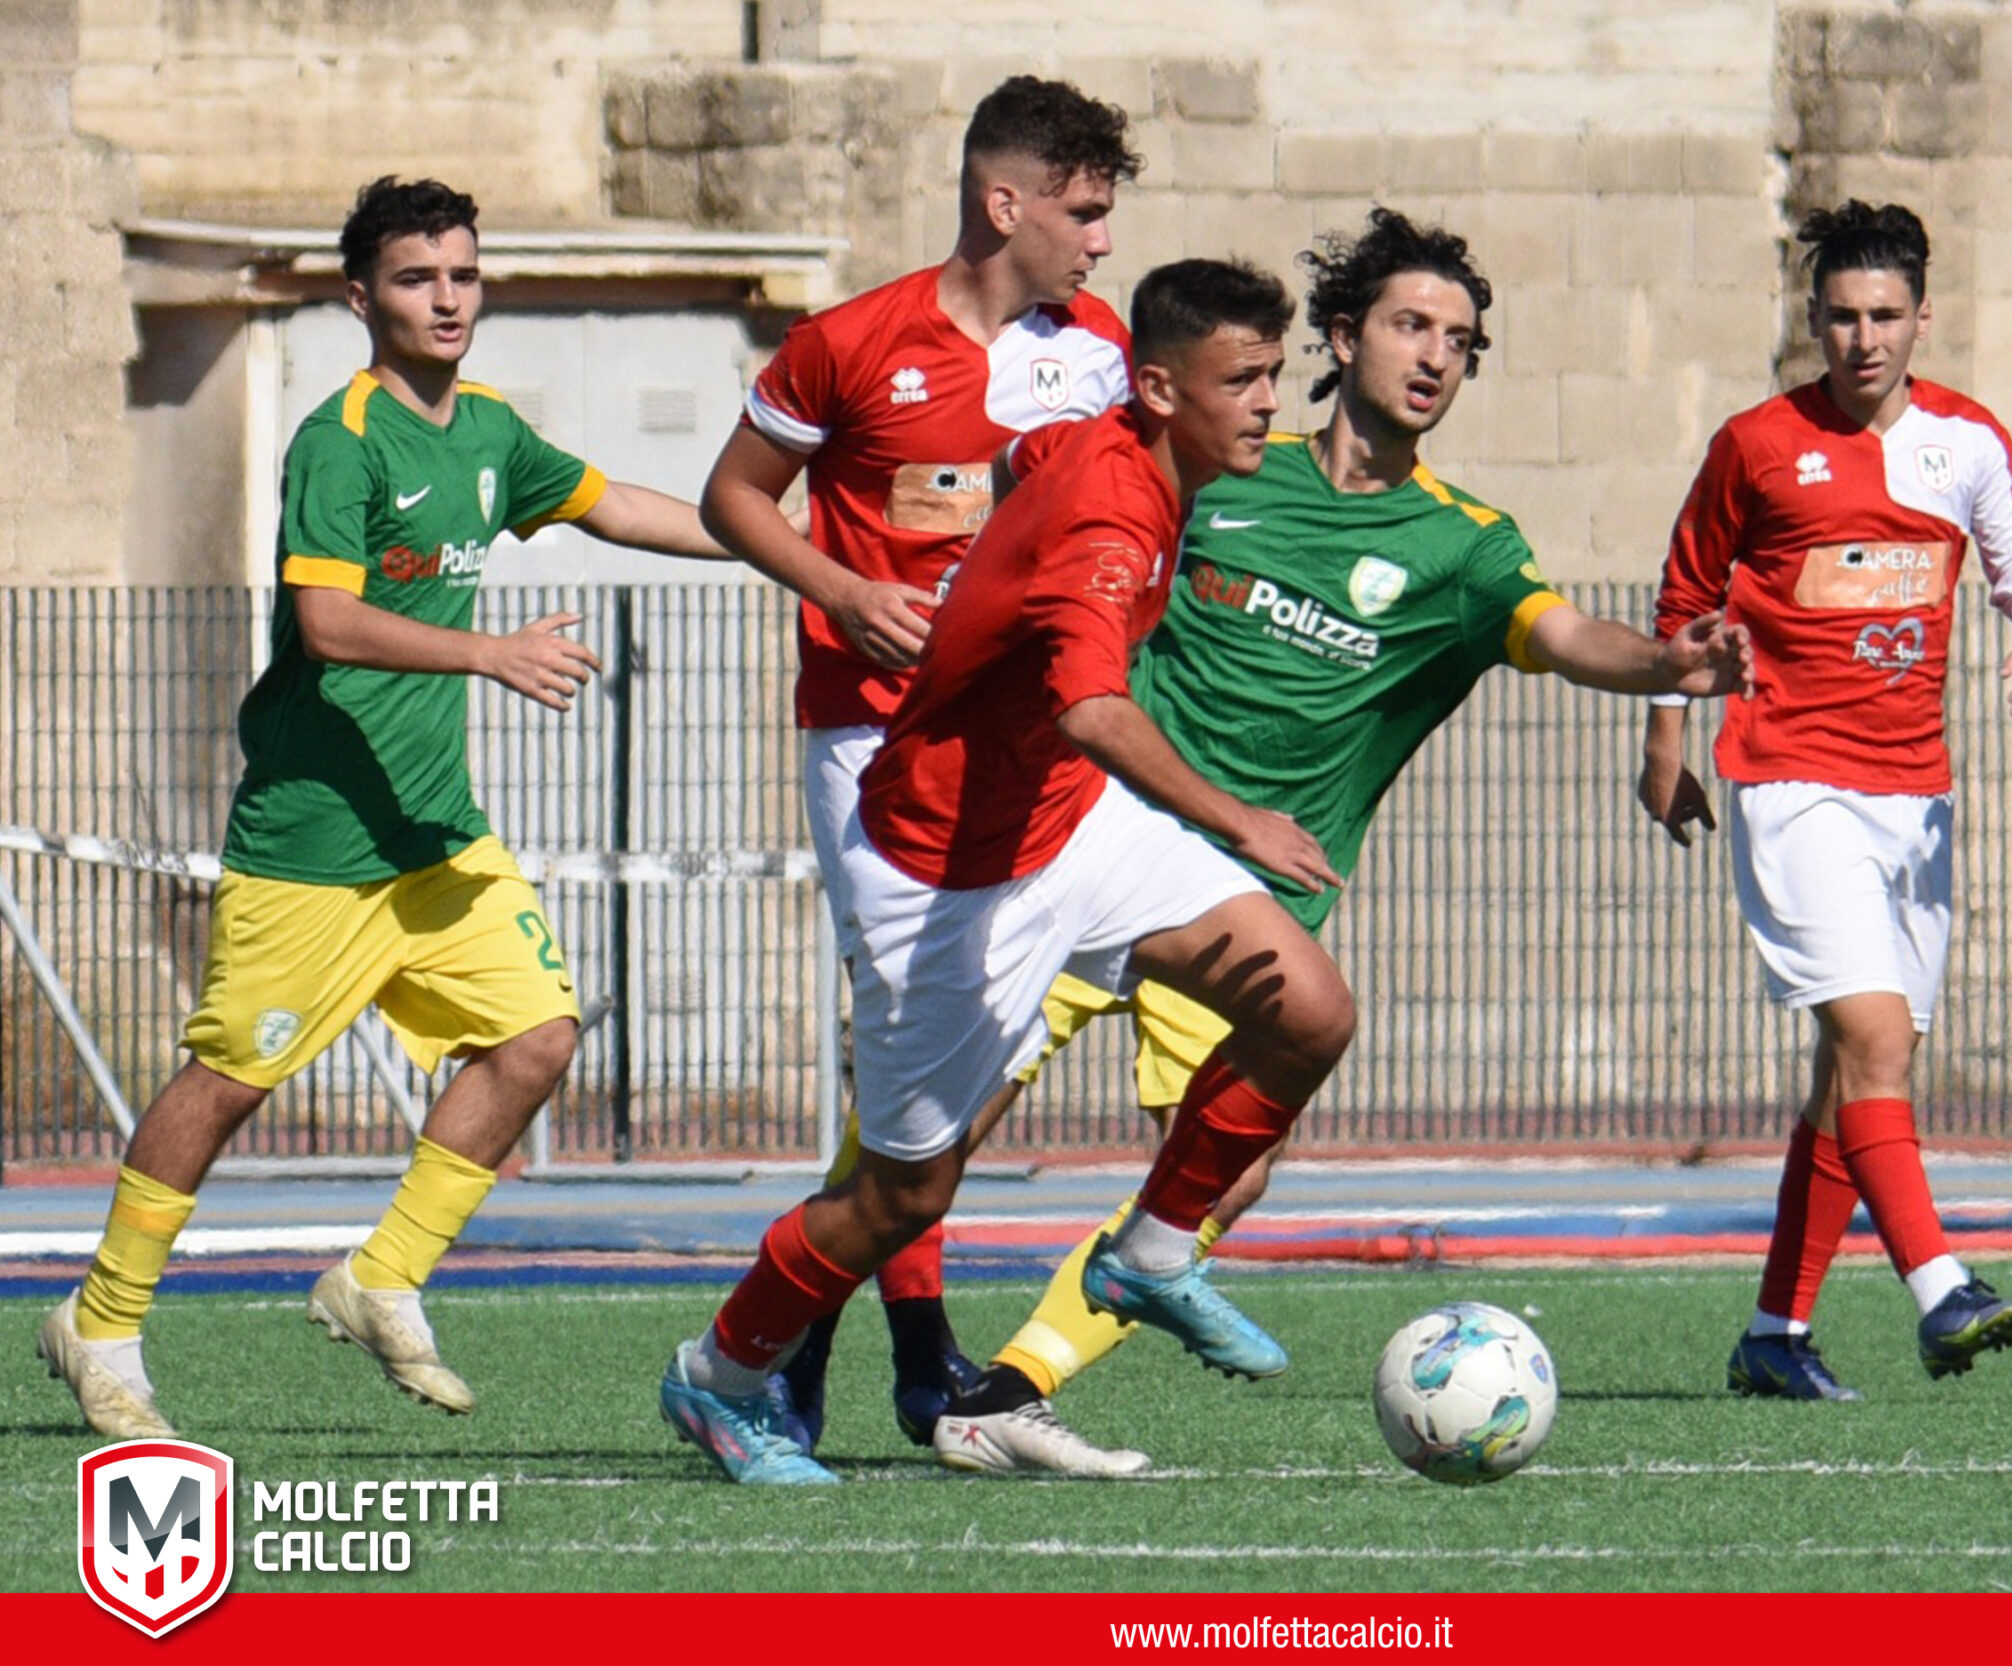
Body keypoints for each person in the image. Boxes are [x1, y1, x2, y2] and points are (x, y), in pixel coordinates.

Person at [772, 207, 1745, 1478]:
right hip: (1088, 843)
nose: (1436, 356)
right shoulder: (1219, 466)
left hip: (1240, 893)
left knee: (1224, 1178)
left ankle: (1004, 1388)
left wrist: (1663, 666)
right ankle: (789, 1352)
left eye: (1461, 339)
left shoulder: (1462, 543)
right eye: (1410, 323)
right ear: (1342, 336)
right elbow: (1052, 490)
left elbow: (1566, 636)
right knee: (927, 1142)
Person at [37, 176, 734, 1439]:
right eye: (419, 278)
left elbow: (615, 503)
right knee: (228, 1083)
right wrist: (489, 653)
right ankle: (100, 1318)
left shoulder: (489, 431)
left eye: (463, 273)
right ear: (363, 297)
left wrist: (778, 546)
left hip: (435, 833)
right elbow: (328, 621)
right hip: (313, 842)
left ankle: (380, 1277)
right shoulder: (340, 438)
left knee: (539, 1034)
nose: (449, 297)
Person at [657, 258, 1359, 1486]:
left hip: (1066, 821)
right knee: (901, 1195)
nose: (1266, 402)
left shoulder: (1117, 452)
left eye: (1274, 376)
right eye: (1240, 380)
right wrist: (1240, 820)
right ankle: (718, 1376)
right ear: (1154, 387)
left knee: (1308, 1006)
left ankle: (1147, 1253)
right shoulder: (1112, 508)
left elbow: (1031, 496)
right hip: (943, 867)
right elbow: (1092, 707)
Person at [697, 73, 1142, 1450]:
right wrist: (839, 586)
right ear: (1003, 202)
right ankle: (854, 1347)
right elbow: (731, 497)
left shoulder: (1103, 349)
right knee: (913, 1053)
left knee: (972, 1051)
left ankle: (873, 1337)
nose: (1100, 242)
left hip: (1026, 746)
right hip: (872, 737)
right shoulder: (850, 343)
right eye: (1081, 212)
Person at [1638, 200, 2012, 1402]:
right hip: (1789, 780)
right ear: (1813, 320)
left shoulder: (1969, 441)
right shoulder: (1757, 444)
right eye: (1840, 316)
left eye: (1884, 315)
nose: (1862, 338)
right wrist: (1664, 736)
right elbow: (1685, 595)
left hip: (1915, 802)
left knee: (1856, 1078)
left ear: (1920, 317)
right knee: (1873, 1039)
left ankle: (1774, 1333)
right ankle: (1943, 1290)